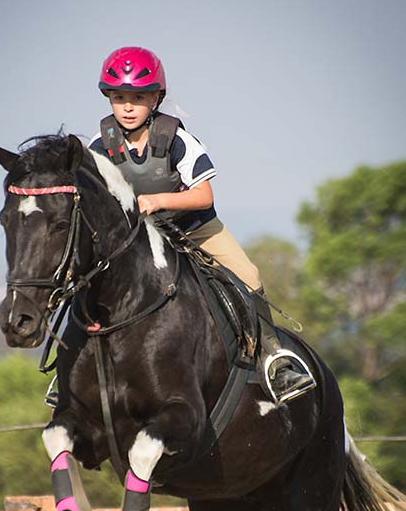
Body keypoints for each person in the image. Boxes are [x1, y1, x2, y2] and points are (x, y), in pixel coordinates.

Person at [88, 46, 315, 403]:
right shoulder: (98, 147)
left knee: (250, 276)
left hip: (195, 229)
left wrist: (157, 201)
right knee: (87, 283)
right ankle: (75, 373)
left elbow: (203, 196)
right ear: (109, 99)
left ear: (156, 98)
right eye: (119, 98)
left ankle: (274, 359)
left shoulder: (177, 140)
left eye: (138, 98)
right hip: (138, 242)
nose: (128, 107)